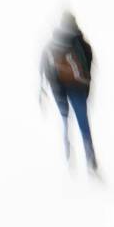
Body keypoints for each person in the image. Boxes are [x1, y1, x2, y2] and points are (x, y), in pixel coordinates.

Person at [39, 12, 98, 176]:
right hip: (78, 88)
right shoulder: (79, 40)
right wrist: (87, 88)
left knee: (65, 120)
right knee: (83, 124)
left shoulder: (52, 42)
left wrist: (44, 86)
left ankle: (67, 152)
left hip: (59, 88)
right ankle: (91, 160)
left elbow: (43, 64)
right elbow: (89, 61)